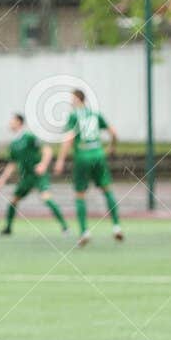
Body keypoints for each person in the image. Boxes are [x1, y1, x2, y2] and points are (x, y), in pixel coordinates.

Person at [52, 88, 124, 247]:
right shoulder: (95, 114)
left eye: (72, 98)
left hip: (83, 155)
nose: (70, 101)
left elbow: (68, 140)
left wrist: (60, 161)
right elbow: (114, 132)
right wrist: (112, 147)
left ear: (78, 99)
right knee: (107, 190)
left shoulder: (73, 116)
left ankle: (84, 231)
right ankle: (116, 227)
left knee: (80, 194)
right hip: (98, 154)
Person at [0, 113, 68, 236]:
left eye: (12, 121)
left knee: (46, 198)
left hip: (38, 176)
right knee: (13, 201)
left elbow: (47, 150)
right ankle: (8, 228)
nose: (10, 123)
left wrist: (43, 165)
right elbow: (12, 163)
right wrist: (2, 179)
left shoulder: (29, 137)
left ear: (19, 122)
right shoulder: (14, 144)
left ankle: (65, 227)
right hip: (26, 178)